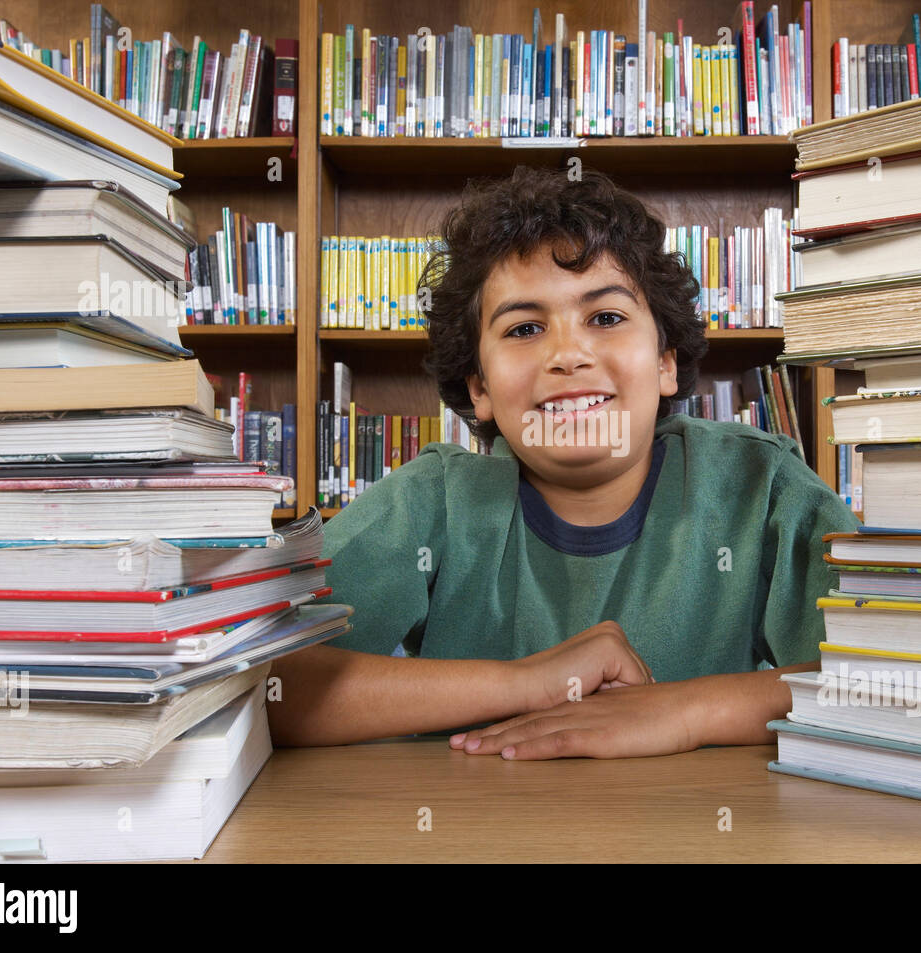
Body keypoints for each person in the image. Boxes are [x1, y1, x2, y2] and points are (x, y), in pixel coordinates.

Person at [268, 165, 860, 759]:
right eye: (524, 328)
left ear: (665, 362)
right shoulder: (433, 500)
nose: (567, 354)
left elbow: (893, 685)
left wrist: (685, 711)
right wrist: (525, 684)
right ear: (479, 388)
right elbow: (257, 684)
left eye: (605, 318)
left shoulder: (765, 489)